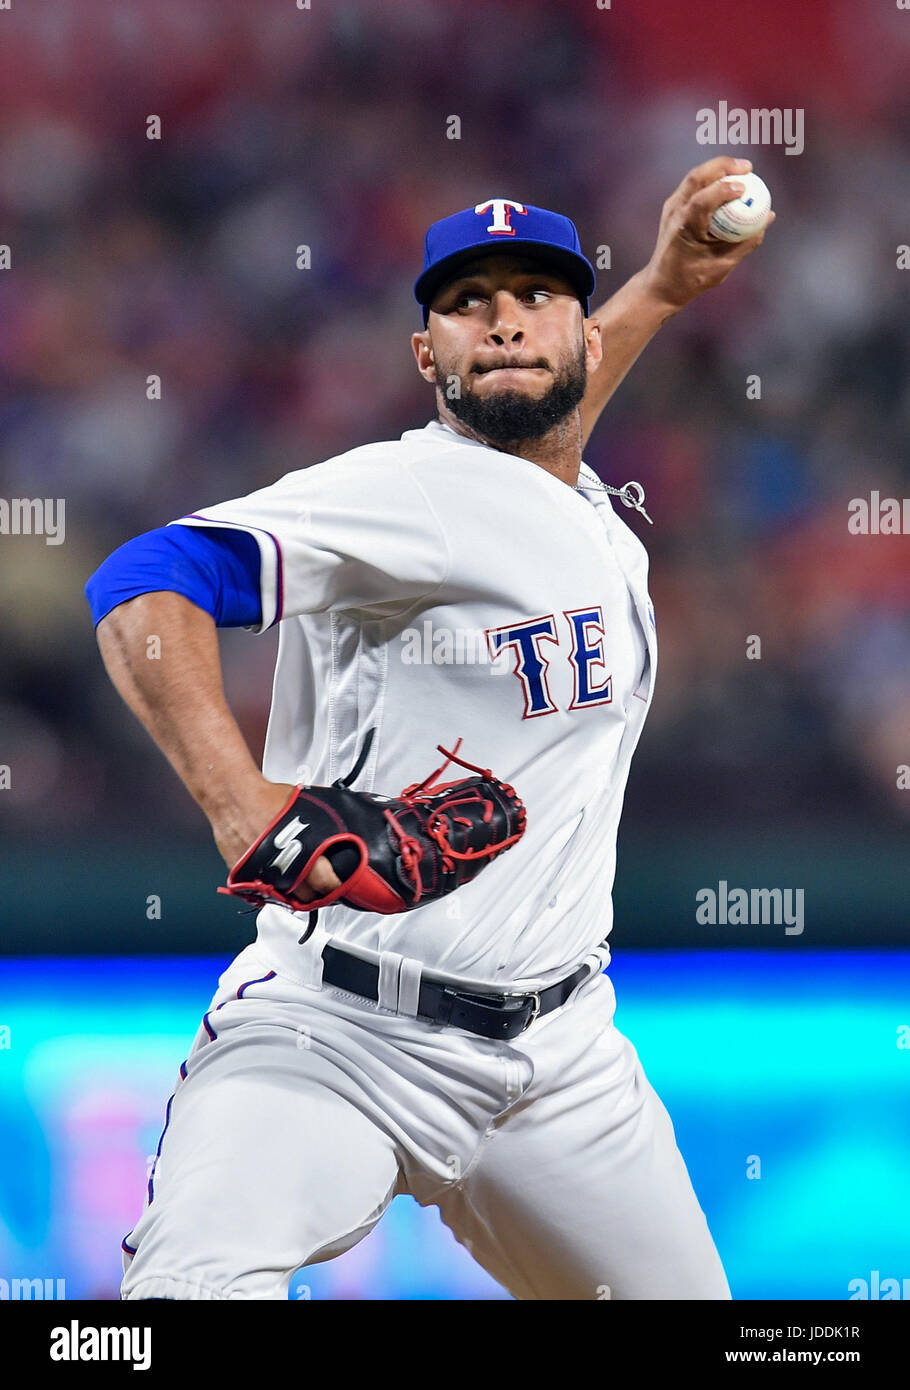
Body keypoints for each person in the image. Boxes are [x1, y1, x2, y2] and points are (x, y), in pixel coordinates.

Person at [86, 157, 772, 1301]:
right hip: (334, 1035)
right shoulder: (406, 494)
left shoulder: (564, 497)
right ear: (426, 356)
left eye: (535, 297)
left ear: (584, 334)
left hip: (560, 1062)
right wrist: (235, 796)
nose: (502, 323)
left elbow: (538, 444)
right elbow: (147, 576)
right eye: (466, 305)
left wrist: (659, 285)